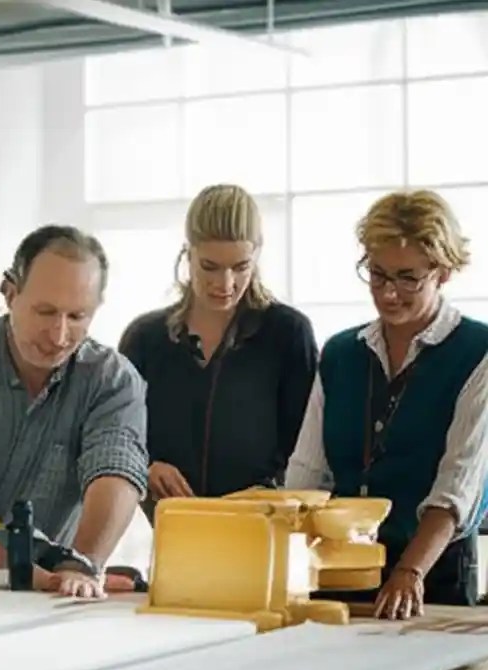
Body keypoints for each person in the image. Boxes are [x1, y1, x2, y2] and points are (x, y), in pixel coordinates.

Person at [0, 224, 149, 598]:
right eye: (45, 311)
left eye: (77, 316)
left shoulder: (113, 380)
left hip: (62, 581)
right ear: (10, 293)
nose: (58, 335)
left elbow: (115, 472)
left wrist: (82, 564)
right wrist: (23, 572)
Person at [287, 190, 488, 619]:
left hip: (431, 577)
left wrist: (409, 572)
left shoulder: (478, 352)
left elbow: (457, 486)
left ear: (444, 272)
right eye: (377, 275)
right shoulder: (340, 353)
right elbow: (306, 476)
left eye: (407, 277)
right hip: (335, 575)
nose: (389, 293)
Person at [119, 184, 317, 509]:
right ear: (188, 253)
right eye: (209, 266)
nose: (225, 284)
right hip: (173, 527)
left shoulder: (288, 334)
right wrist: (146, 467)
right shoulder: (145, 338)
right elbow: (118, 439)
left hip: (262, 528)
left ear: (257, 255)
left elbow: (307, 451)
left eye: (241, 267)